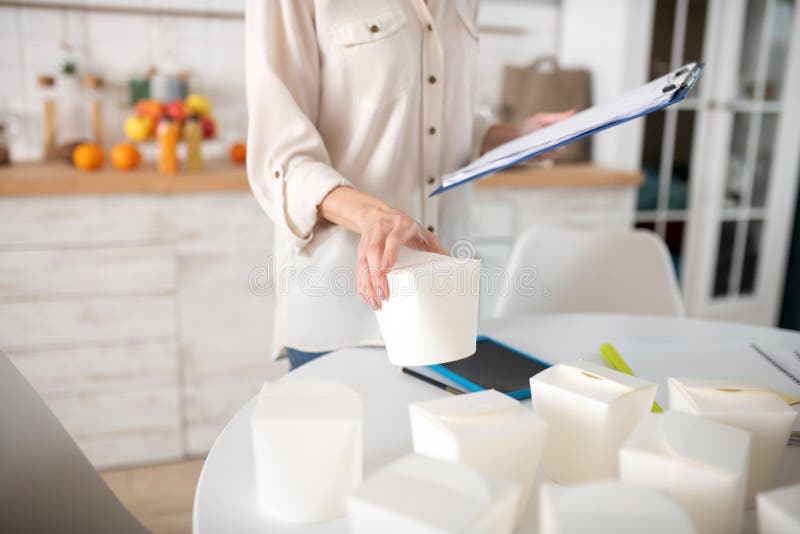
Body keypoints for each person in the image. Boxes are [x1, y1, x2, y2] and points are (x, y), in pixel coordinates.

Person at [246, 0, 572, 370]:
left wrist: (509, 136)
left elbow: (438, 122)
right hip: (344, 317)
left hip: (443, 307)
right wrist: (376, 216)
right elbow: (282, 160)